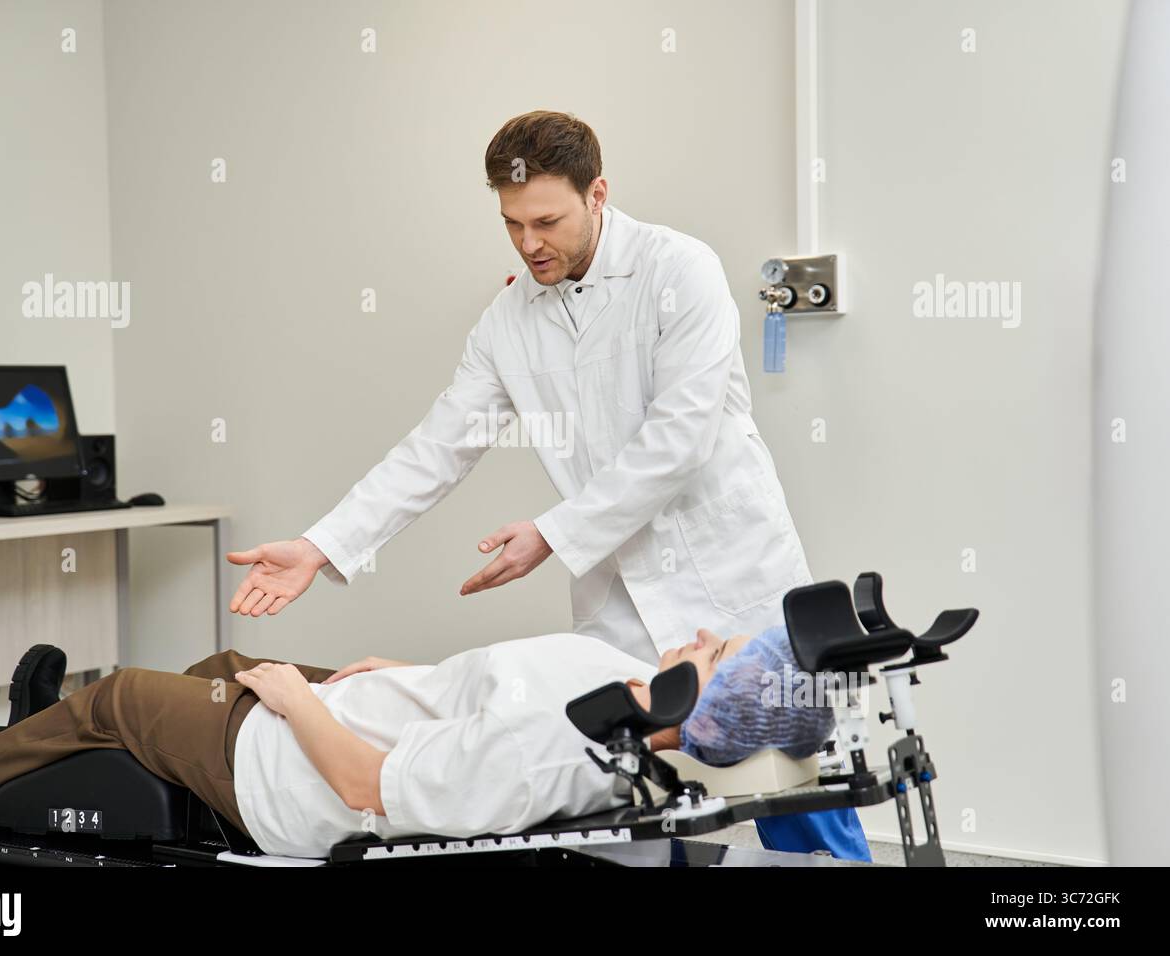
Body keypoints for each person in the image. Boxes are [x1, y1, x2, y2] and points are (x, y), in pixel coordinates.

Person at [225, 109, 860, 856]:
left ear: (597, 195)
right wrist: (320, 544)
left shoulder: (679, 270)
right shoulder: (506, 321)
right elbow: (436, 447)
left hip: (728, 585)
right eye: (512, 225)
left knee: (793, 779)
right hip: (620, 606)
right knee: (625, 802)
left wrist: (551, 535)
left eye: (548, 221)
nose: (530, 244)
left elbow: (679, 441)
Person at [0, 626, 867, 861]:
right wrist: (397, 677)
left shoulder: (562, 746)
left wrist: (289, 704)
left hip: (291, 776)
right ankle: (33, 734)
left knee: (130, 693)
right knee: (230, 653)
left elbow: (368, 785)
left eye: (715, 643)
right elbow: (474, 702)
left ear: (706, 691)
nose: (695, 630)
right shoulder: (614, 690)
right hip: (356, 714)